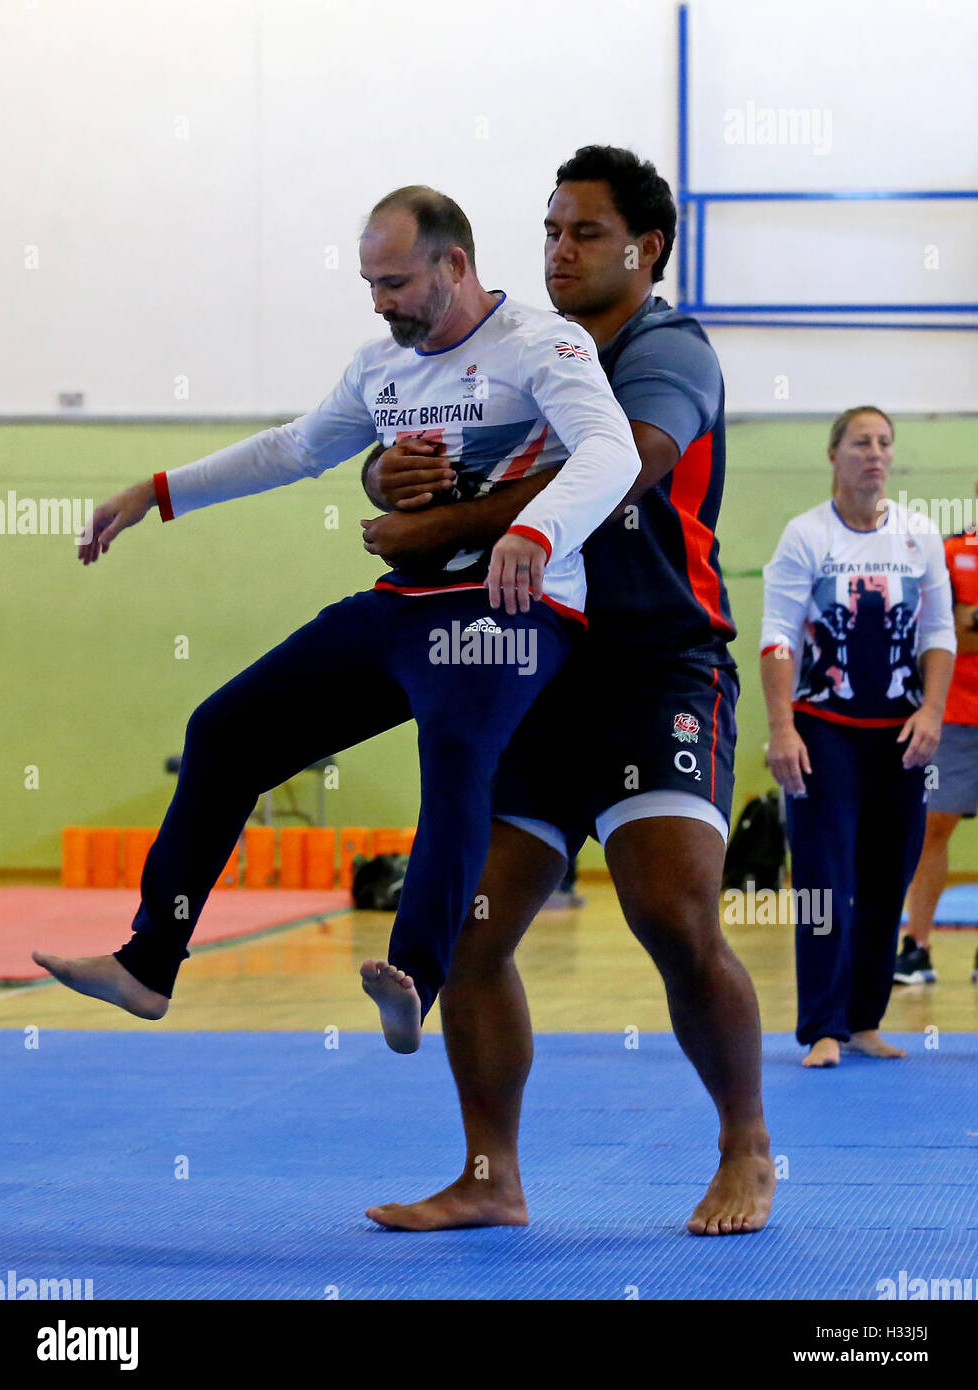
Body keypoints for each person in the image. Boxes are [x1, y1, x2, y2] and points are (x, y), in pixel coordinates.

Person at [32, 185, 641, 1055]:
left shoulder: (542, 344)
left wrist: (535, 532)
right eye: (369, 284)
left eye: (394, 282)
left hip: (512, 606)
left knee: (457, 753)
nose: (380, 302)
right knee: (225, 730)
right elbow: (293, 448)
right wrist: (157, 492)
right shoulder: (377, 366)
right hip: (403, 606)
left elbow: (611, 447)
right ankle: (148, 961)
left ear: (454, 264)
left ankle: (414, 978)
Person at [360, 147, 775, 1236]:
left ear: (645, 250)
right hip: (530, 665)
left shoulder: (665, 348)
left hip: (654, 667)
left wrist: (438, 523)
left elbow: (627, 461)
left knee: (672, 914)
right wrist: (392, 474)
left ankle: (747, 1145)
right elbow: (410, 438)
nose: (558, 248)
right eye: (549, 229)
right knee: (473, 928)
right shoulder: (511, 352)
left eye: (585, 232)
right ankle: (490, 1176)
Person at [761, 407, 956, 1068]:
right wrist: (782, 728)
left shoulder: (917, 535)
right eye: (859, 443)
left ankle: (864, 1020)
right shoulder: (805, 536)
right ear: (833, 454)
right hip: (823, 734)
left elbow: (938, 633)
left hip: (901, 737)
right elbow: (776, 638)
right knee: (823, 878)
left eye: (882, 443)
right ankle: (821, 1024)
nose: (873, 454)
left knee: (885, 878)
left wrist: (931, 712)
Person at [900, 486, 978, 985]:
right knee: (932, 829)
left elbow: (967, 626)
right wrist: (966, 623)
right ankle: (916, 948)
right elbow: (942, 631)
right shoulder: (951, 553)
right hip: (953, 711)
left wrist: (971, 621)